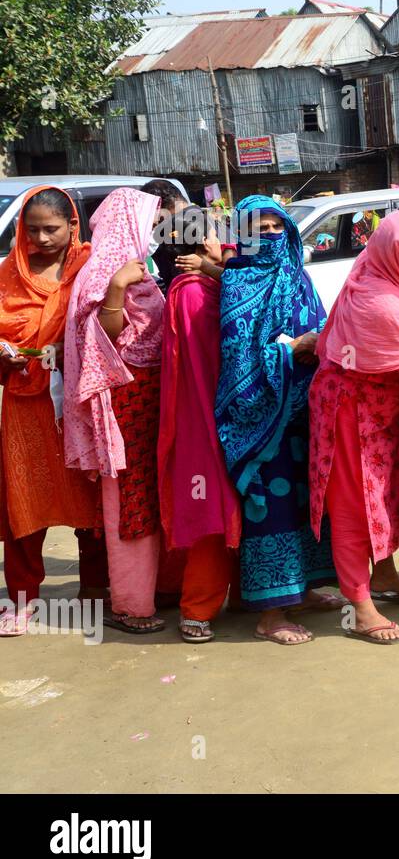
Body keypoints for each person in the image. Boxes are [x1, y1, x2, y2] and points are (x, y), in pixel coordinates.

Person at [309, 209, 399, 645]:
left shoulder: (378, 267)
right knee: (356, 507)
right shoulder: (385, 305)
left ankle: (384, 573)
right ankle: (360, 606)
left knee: (383, 493)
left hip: (372, 411)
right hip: (349, 415)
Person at [216, 196, 335, 645]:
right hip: (259, 423)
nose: (268, 235)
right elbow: (238, 357)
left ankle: (300, 591)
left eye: (275, 227)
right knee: (272, 510)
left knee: (307, 503)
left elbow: (324, 327)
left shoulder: (299, 278)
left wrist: (317, 340)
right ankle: (270, 613)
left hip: (302, 417)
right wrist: (292, 348)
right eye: (257, 228)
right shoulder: (237, 282)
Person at [0, 188, 106, 636]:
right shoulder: (7, 273)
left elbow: (108, 326)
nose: (41, 238)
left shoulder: (89, 267)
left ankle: (96, 593)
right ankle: (23, 600)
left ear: (72, 227)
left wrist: (68, 350)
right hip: (25, 407)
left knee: (90, 497)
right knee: (22, 501)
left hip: (77, 403)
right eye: (32, 229)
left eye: (51, 229)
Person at [63, 188, 168, 635]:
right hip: (122, 403)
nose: (155, 232)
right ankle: (130, 604)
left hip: (147, 402)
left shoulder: (138, 268)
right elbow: (101, 338)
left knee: (146, 496)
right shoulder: (105, 273)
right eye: (150, 223)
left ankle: (154, 590)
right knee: (128, 502)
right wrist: (117, 287)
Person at [157, 207, 242, 642]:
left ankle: (246, 593)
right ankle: (198, 605)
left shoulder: (210, 278)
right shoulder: (192, 292)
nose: (225, 239)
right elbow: (207, 362)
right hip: (207, 414)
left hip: (230, 412)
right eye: (215, 233)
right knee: (212, 508)